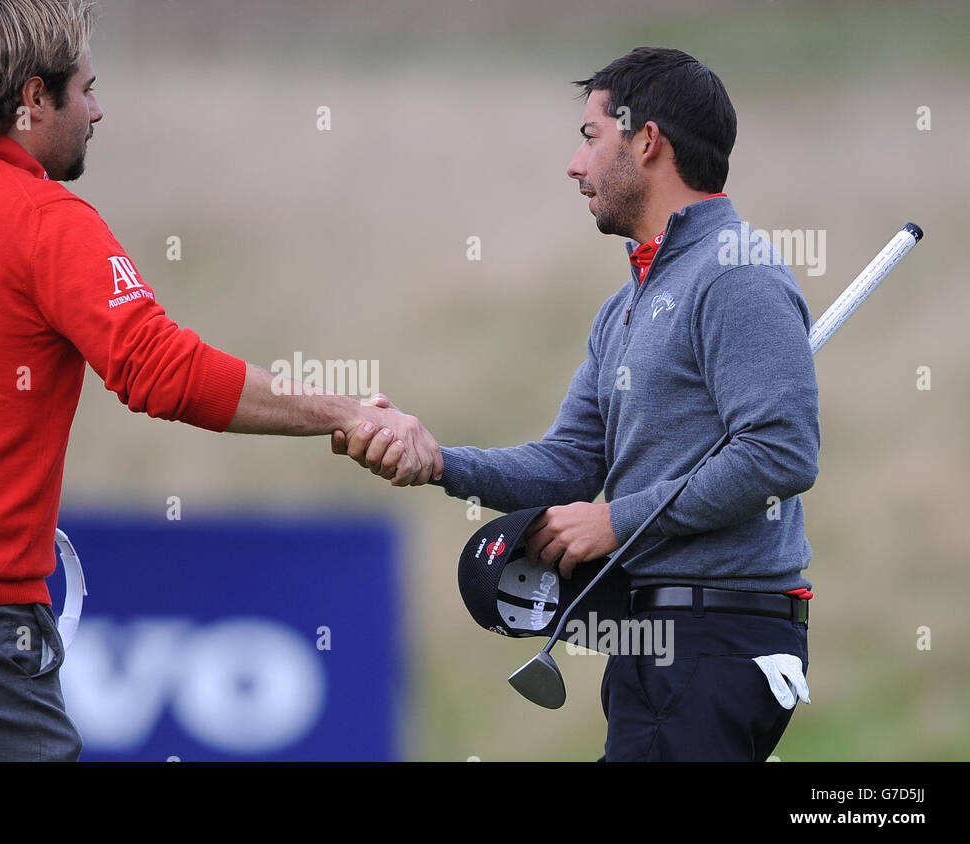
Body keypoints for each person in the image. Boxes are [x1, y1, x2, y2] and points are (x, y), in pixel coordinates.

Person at [0, 0, 440, 762]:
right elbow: (163, 371)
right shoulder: (46, 219)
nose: (98, 108)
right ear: (33, 99)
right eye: (86, 87)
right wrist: (345, 411)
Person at [337, 47, 818, 761]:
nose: (574, 163)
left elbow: (780, 451)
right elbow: (568, 466)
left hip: (717, 643)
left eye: (591, 139)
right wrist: (439, 461)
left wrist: (617, 519)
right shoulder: (624, 306)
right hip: (658, 643)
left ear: (646, 140)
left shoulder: (735, 276)